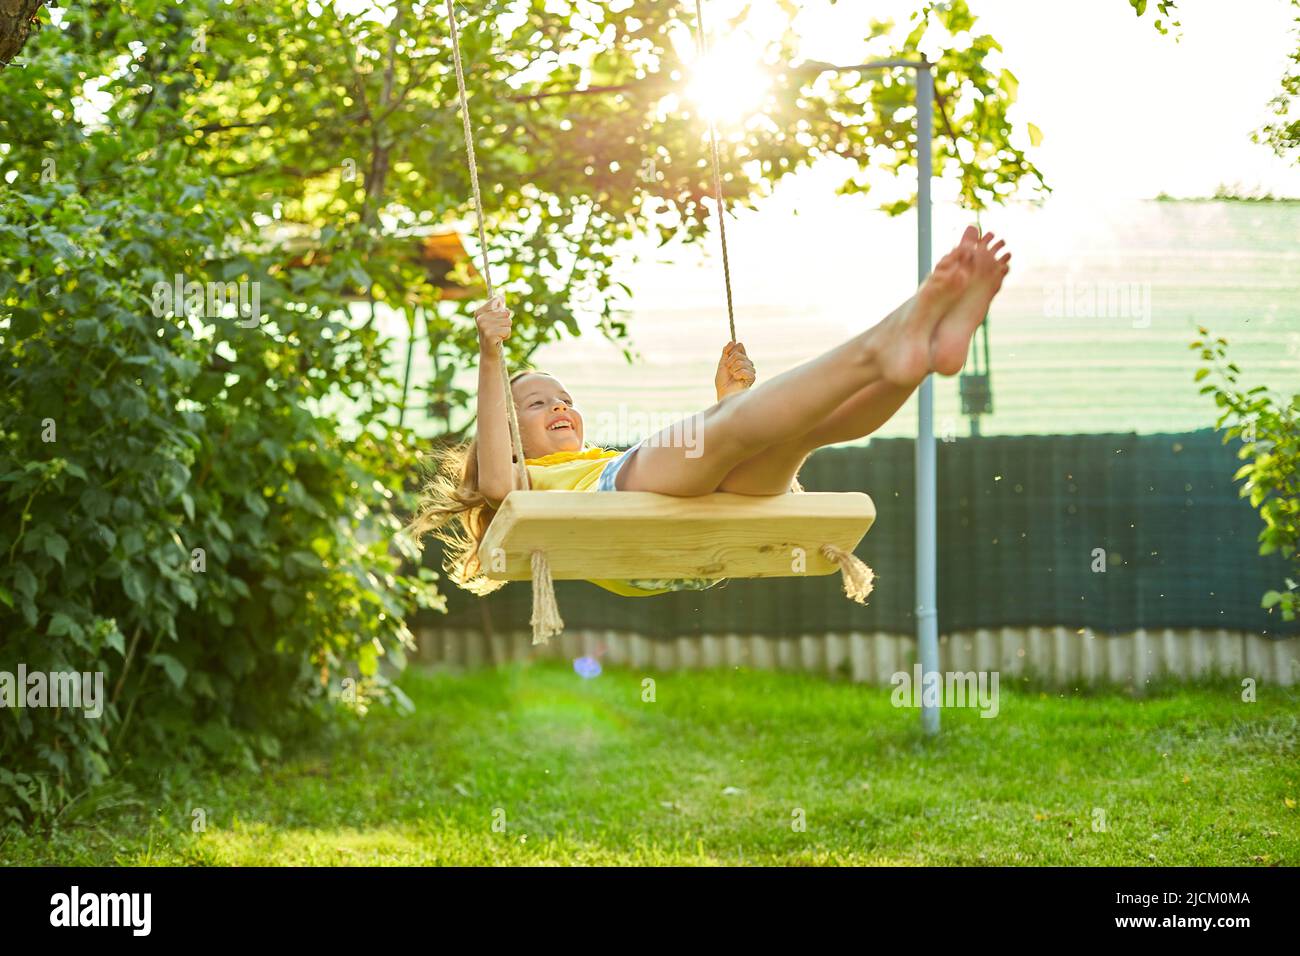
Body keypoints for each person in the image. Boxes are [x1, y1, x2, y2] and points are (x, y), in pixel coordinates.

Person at [407, 225, 1011, 598]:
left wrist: (729, 406)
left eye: (565, 399)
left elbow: (708, 466)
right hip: (629, 505)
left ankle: (919, 361)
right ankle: (888, 340)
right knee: (726, 430)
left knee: (798, 433)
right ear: (510, 436)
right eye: (537, 404)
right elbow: (492, 477)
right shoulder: (524, 484)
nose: (560, 406)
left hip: (684, 528)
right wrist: (491, 354)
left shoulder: (598, 459)